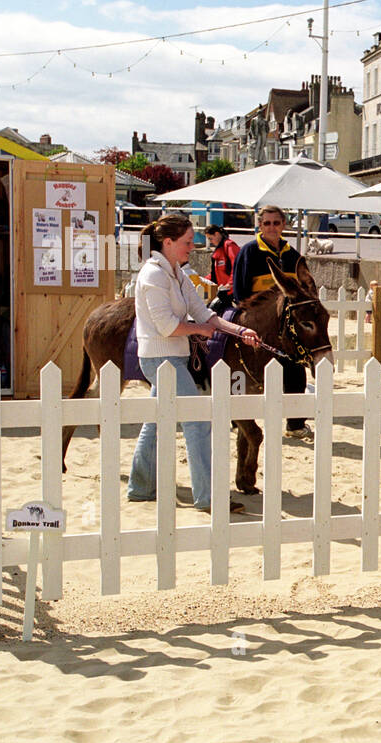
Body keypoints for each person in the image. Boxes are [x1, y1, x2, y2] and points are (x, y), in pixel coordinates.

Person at [128, 215, 262, 513]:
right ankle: (209, 497)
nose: (193, 246)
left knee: (155, 423)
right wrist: (199, 331)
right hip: (159, 358)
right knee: (198, 419)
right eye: (188, 242)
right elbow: (166, 326)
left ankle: (140, 488)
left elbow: (204, 313)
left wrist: (240, 331)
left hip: (173, 357)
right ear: (168, 242)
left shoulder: (176, 273)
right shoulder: (153, 275)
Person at [231, 205, 310, 435]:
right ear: (260, 225)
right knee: (242, 370)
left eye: (276, 223)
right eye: (267, 223)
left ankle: (295, 424)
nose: (272, 227)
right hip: (257, 325)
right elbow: (240, 292)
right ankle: (238, 419)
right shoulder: (249, 252)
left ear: (284, 225)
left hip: (286, 329)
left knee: (296, 370)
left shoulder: (293, 256)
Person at [204, 225, 241, 295]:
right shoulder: (220, 249)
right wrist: (203, 280)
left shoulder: (229, 246)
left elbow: (237, 266)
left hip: (231, 290)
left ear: (217, 234)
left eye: (210, 238)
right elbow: (215, 273)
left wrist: (230, 283)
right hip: (224, 290)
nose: (210, 242)